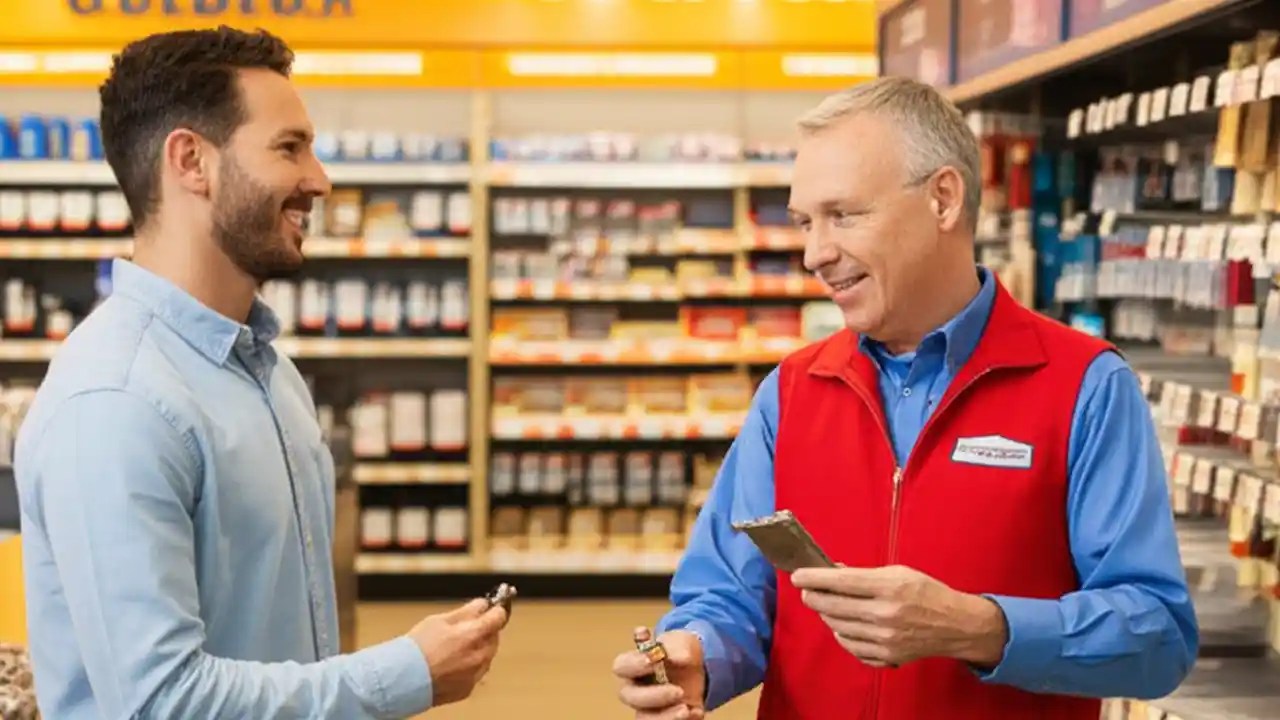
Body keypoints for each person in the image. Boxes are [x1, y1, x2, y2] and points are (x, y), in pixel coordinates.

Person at [612, 77, 1198, 719]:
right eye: (806, 222)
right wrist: (698, 653)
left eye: (845, 215)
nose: (815, 253)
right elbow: (727, 594)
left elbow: (1158, 635)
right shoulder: (793, 391)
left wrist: (979, 627)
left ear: (943, 199)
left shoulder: (1083, 384)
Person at [14, 27, 506, 719]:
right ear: (192, 161)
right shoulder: (117, 401)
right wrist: (403, 674)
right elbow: (161, 703)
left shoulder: (265, 370)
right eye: (289, 147)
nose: (320, 179)